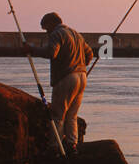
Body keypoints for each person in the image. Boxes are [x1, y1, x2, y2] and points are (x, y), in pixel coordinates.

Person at [25, 11, 93, 154]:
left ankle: (55, 147)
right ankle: (72, 145)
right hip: (82, 77)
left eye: (46, 28)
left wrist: (31, 50)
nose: (47, 32)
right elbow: (90, 54)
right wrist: (81, 64)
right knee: (72, 115)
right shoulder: (76, 34)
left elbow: (51, 53)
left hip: (66, 78)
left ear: (51, 23)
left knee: (58, 115)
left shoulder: (57, 34)